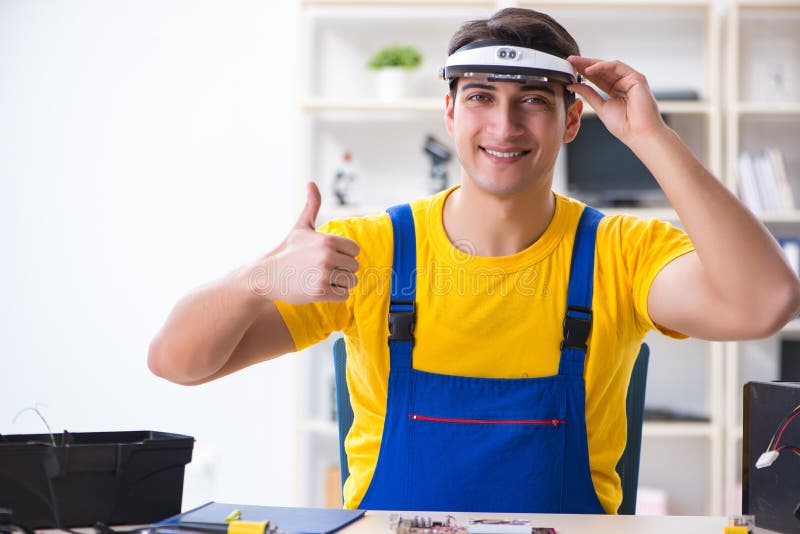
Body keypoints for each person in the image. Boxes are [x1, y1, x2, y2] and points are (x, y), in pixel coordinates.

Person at [148, 8, 800, 515]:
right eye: (482, 96)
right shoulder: (366, 252)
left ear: (574, 119)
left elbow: (765, 301)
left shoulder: (621, 254)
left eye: (534, 101)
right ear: (450, 110)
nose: (505, 124)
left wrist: (650, 137)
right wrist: (261, 276)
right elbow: (176, 362)